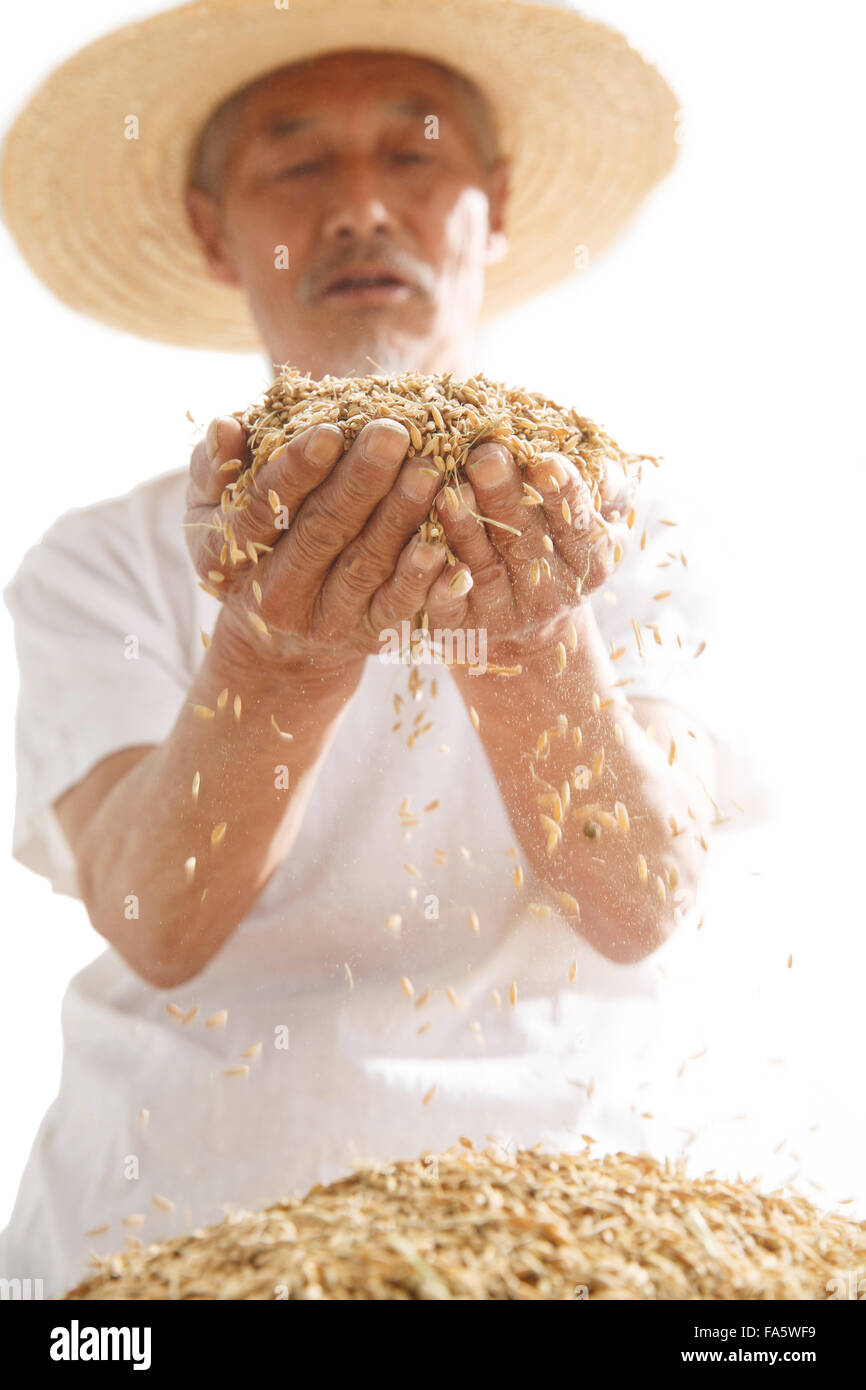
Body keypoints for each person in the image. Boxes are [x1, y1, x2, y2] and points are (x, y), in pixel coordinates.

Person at [0, 0, 720, 1298]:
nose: (359, 208)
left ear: (495, 207)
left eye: (413, 152)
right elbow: (155, 919)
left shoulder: (618, 525)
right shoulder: (101, 561)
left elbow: (643, 898)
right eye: (295, 163)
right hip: (173, 1233)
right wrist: (269, 656)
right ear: (212, 228)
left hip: (552, 1232)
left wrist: (530, 635)